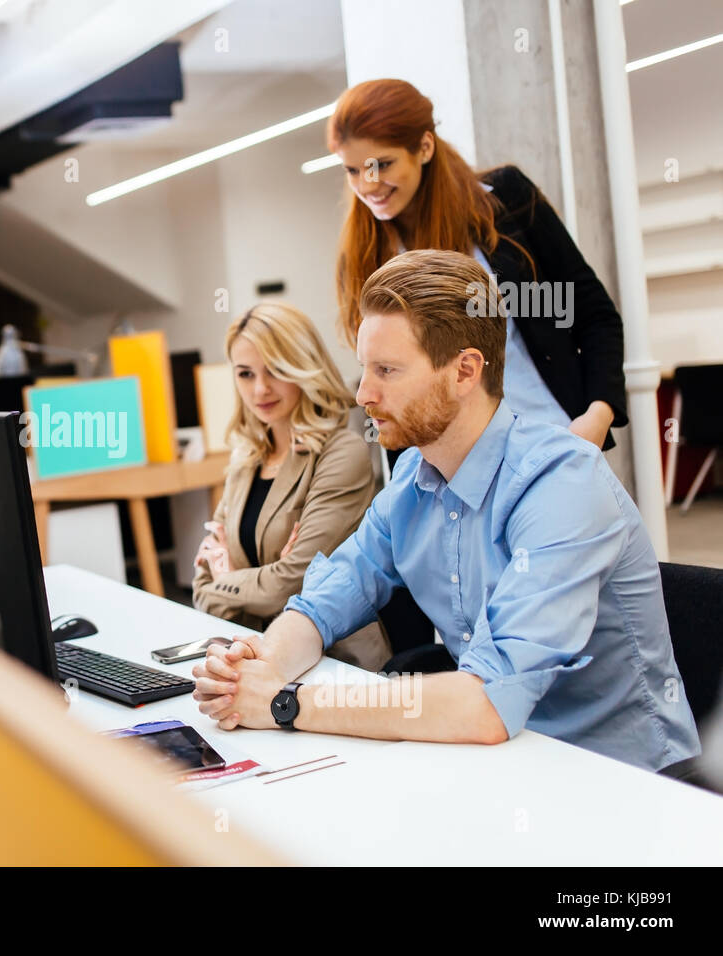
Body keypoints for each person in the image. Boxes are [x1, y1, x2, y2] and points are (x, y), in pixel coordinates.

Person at [191, 250, 700, 776]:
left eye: (387, 370)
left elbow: (485, 705)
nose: (364, 393)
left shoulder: (563, 485)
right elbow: (322, 603)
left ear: (464, 371)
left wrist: (285, 704)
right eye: (365, 368)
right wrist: (258, 669)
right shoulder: (414, 478)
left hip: (621, 781)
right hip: (500, 764)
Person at [329, 78, 626, 451]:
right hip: (451, 466)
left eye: (382, 164)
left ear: (424, 147)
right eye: (352, 171)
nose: (368, 185)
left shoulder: (504, 199)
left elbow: (593, 314)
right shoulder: (366, 254)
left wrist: (597, 415)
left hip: (554, 438)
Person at [191, 303, 391, 672]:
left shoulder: (341, 454)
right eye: (246, 374)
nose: (261, 389)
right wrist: (260, 580)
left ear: (303, 366)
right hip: (252, 658)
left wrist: (229, 578)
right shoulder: (245, 459)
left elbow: (291, 586)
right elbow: (202, 588)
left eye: (276, 370)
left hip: (334, 664)